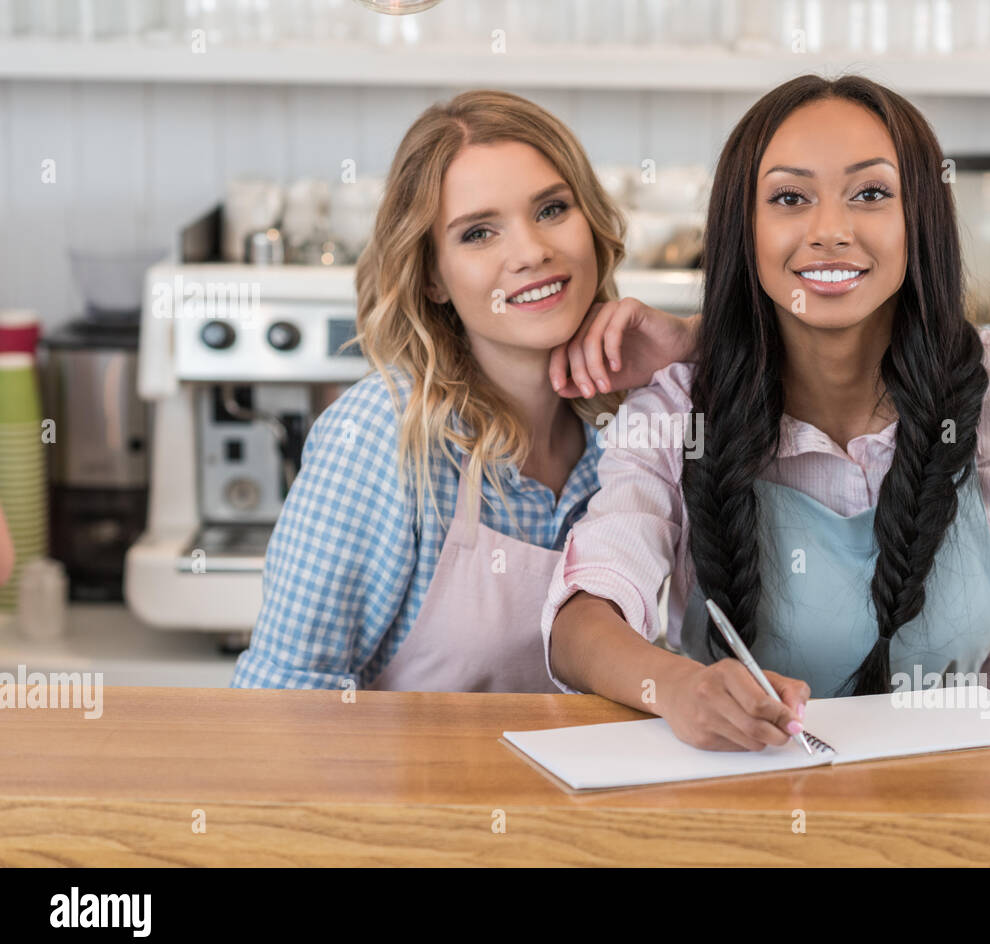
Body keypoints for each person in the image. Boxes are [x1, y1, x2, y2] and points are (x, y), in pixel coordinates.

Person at [543, 75, 990, 751]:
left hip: (952, 814)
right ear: (744, 230)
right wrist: (675, 685)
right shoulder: (680, 407)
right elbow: (579, 621)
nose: (830, 231)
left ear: (920, 218)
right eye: (790, 197)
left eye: (870, 193)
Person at [231, 90, 697, 691]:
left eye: (552, 210)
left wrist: (690, 340)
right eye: (479, 233)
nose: (531, 252)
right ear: (431, 276)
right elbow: (283, 700)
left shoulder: (633, 430)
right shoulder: (382, 436)